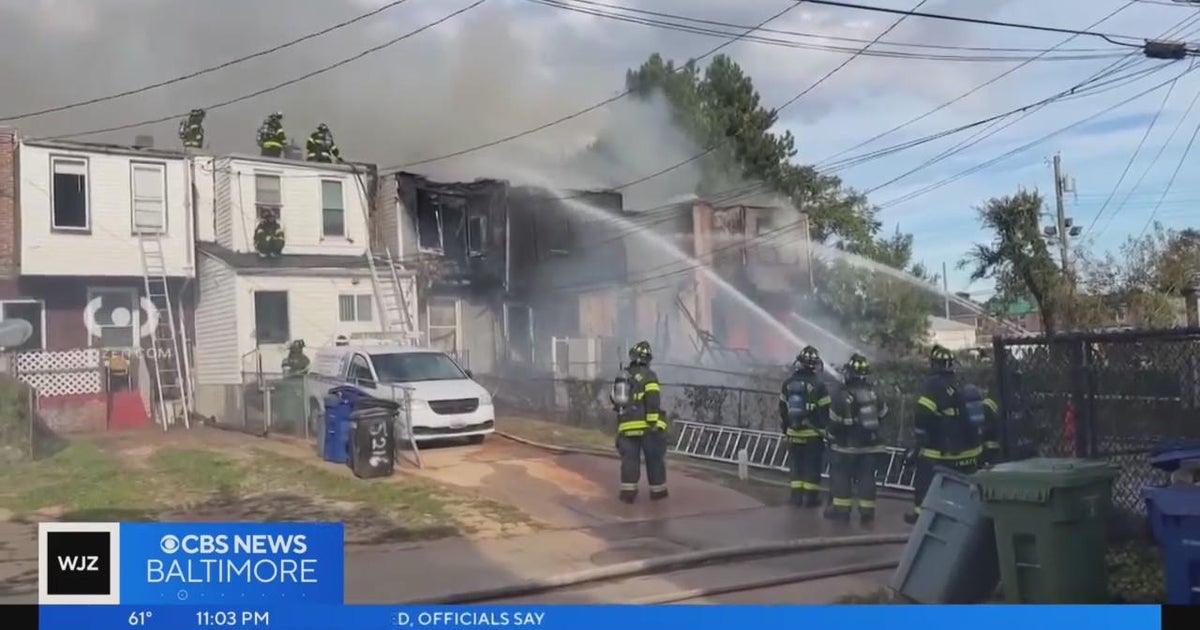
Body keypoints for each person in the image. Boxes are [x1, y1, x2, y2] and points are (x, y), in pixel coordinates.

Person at [904, 345, 984, 524]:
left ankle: (921, 515)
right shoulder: (960, 382)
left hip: (943, 451)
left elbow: (923, 414)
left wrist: (919, 442)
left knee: (924, 480)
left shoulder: (933, 385)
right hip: (970, 452)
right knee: (963, 488)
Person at [825, 353, 888, 524]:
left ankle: (842, 511)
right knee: (867, 477)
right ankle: (867, 513)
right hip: (870, 447)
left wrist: (829, 435)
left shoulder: (841, 396)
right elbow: (883, 415)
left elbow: (834, 422)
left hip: (845, 448)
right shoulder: (875, 394)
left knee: (841, 477)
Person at [610, 341, 668, 503]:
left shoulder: (623, 375)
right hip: (647, 428)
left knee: (629, 460)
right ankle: (658, 492)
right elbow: (653, 401)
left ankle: (628, 493)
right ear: (648, 359)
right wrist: (652, 423)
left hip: (626, 426)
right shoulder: (650, 376)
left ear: (632, 357)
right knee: (654, 459)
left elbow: (614, 399)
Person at [779, 345, 831, 507]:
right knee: (812, 467)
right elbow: (825, 411)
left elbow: (782, 408)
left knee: (795, 465)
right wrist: (825, 430)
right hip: (812, 435)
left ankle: (795, 498)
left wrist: (787, 429)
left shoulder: (788, 383)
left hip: (793, 433)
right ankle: (810, 498)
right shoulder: (819, 386)